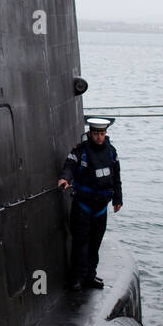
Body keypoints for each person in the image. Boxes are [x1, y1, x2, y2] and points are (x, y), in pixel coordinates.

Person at [57, 117, 122, 290]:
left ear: (105, 134)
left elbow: (116, 178)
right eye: (96, 134)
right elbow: (69, 166)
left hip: (101, 207)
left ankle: (90, 276)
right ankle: (76, 277)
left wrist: (118, 199)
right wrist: (64, 178)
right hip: (83, 206)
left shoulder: (111, 152)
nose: (99, 137)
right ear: (90, 134)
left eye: (102, 134)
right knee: (80, 243)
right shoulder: (80, 151)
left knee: (95, 244)